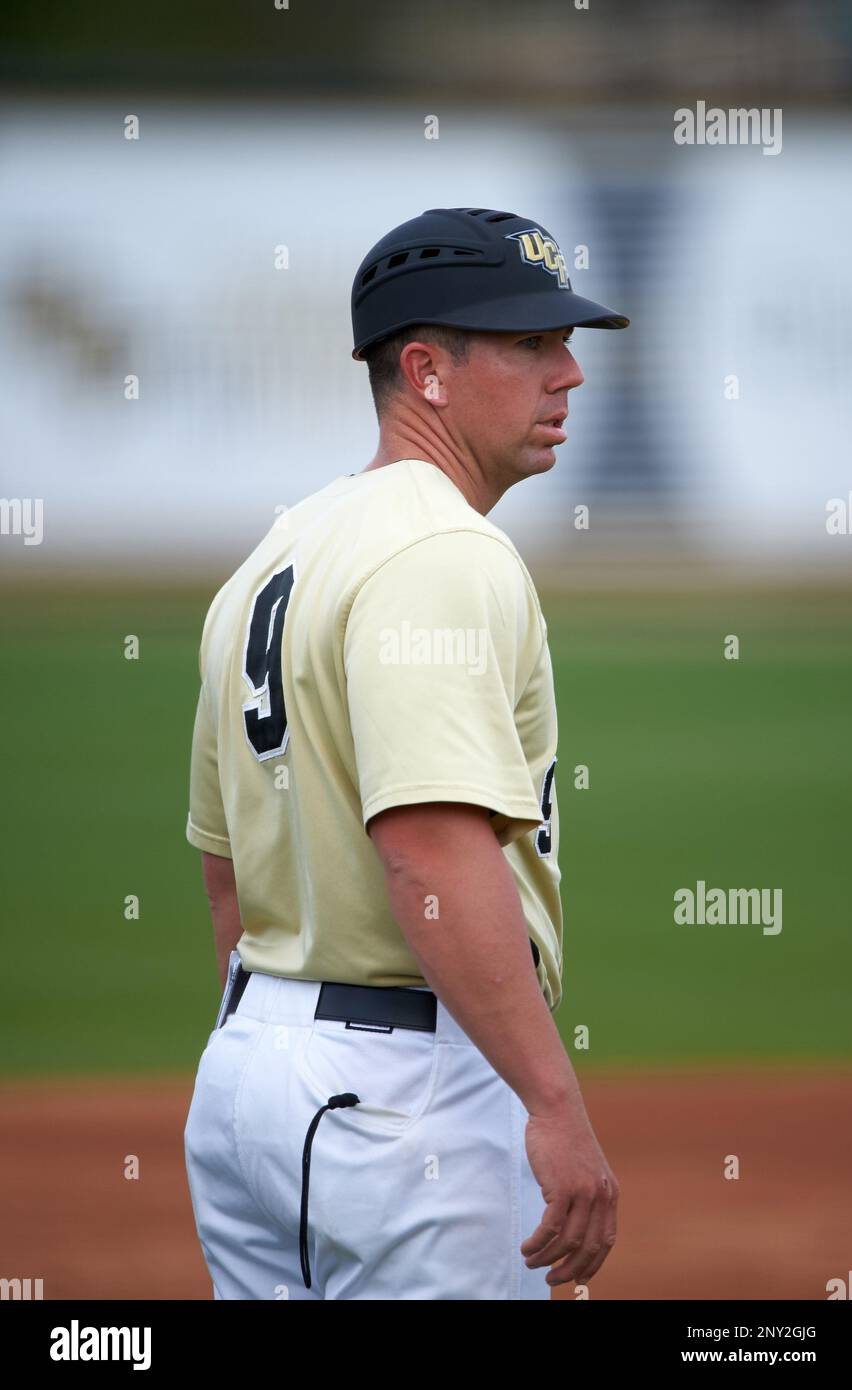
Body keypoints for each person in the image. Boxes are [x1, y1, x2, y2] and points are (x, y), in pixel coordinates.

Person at [183, 206, 629, 1300]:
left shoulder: (274, 554)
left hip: (248, 1074)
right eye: (529, 344)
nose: (567, 371)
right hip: (404, 1098)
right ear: (424, 369)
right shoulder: (441, 550)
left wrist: (278, 1054)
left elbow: (224, 865)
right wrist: (553, 1104)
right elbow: (428, 850)